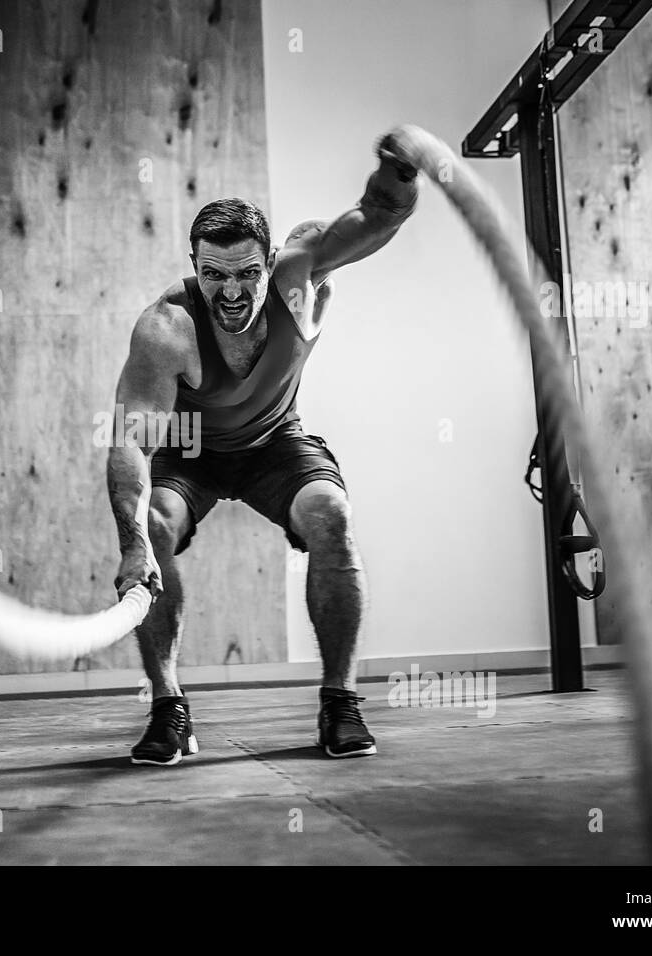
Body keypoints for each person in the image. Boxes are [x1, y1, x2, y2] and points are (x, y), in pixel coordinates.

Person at [105, 130, 421, 766]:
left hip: (276, 440)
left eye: (247, 274)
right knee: (155, 527)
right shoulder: (166, 329)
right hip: (191, 450)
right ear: (194, 268)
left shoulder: (301, 271)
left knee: (332, 516)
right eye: (213, 274)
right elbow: (133, 443)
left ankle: (340, 702)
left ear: (270, 261)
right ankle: (169, 709)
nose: (231, 292)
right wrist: (133, 543)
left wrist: (403, 170)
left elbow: (380, 215)